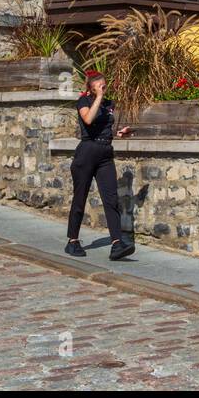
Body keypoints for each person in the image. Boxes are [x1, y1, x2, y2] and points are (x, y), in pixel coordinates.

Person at [66, 70, 135, 260]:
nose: (103, 88)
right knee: (80, 197)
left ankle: (116, 243)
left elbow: (106, 125)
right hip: (87, 152)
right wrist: (98, 97)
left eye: (104, 84)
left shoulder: (108, 104)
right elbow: (88, 120)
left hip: (105, 153)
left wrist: (119, 132)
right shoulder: (84, 101)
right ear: (90, 87)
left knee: (111, 198)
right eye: (99, 85)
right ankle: (72, 241)